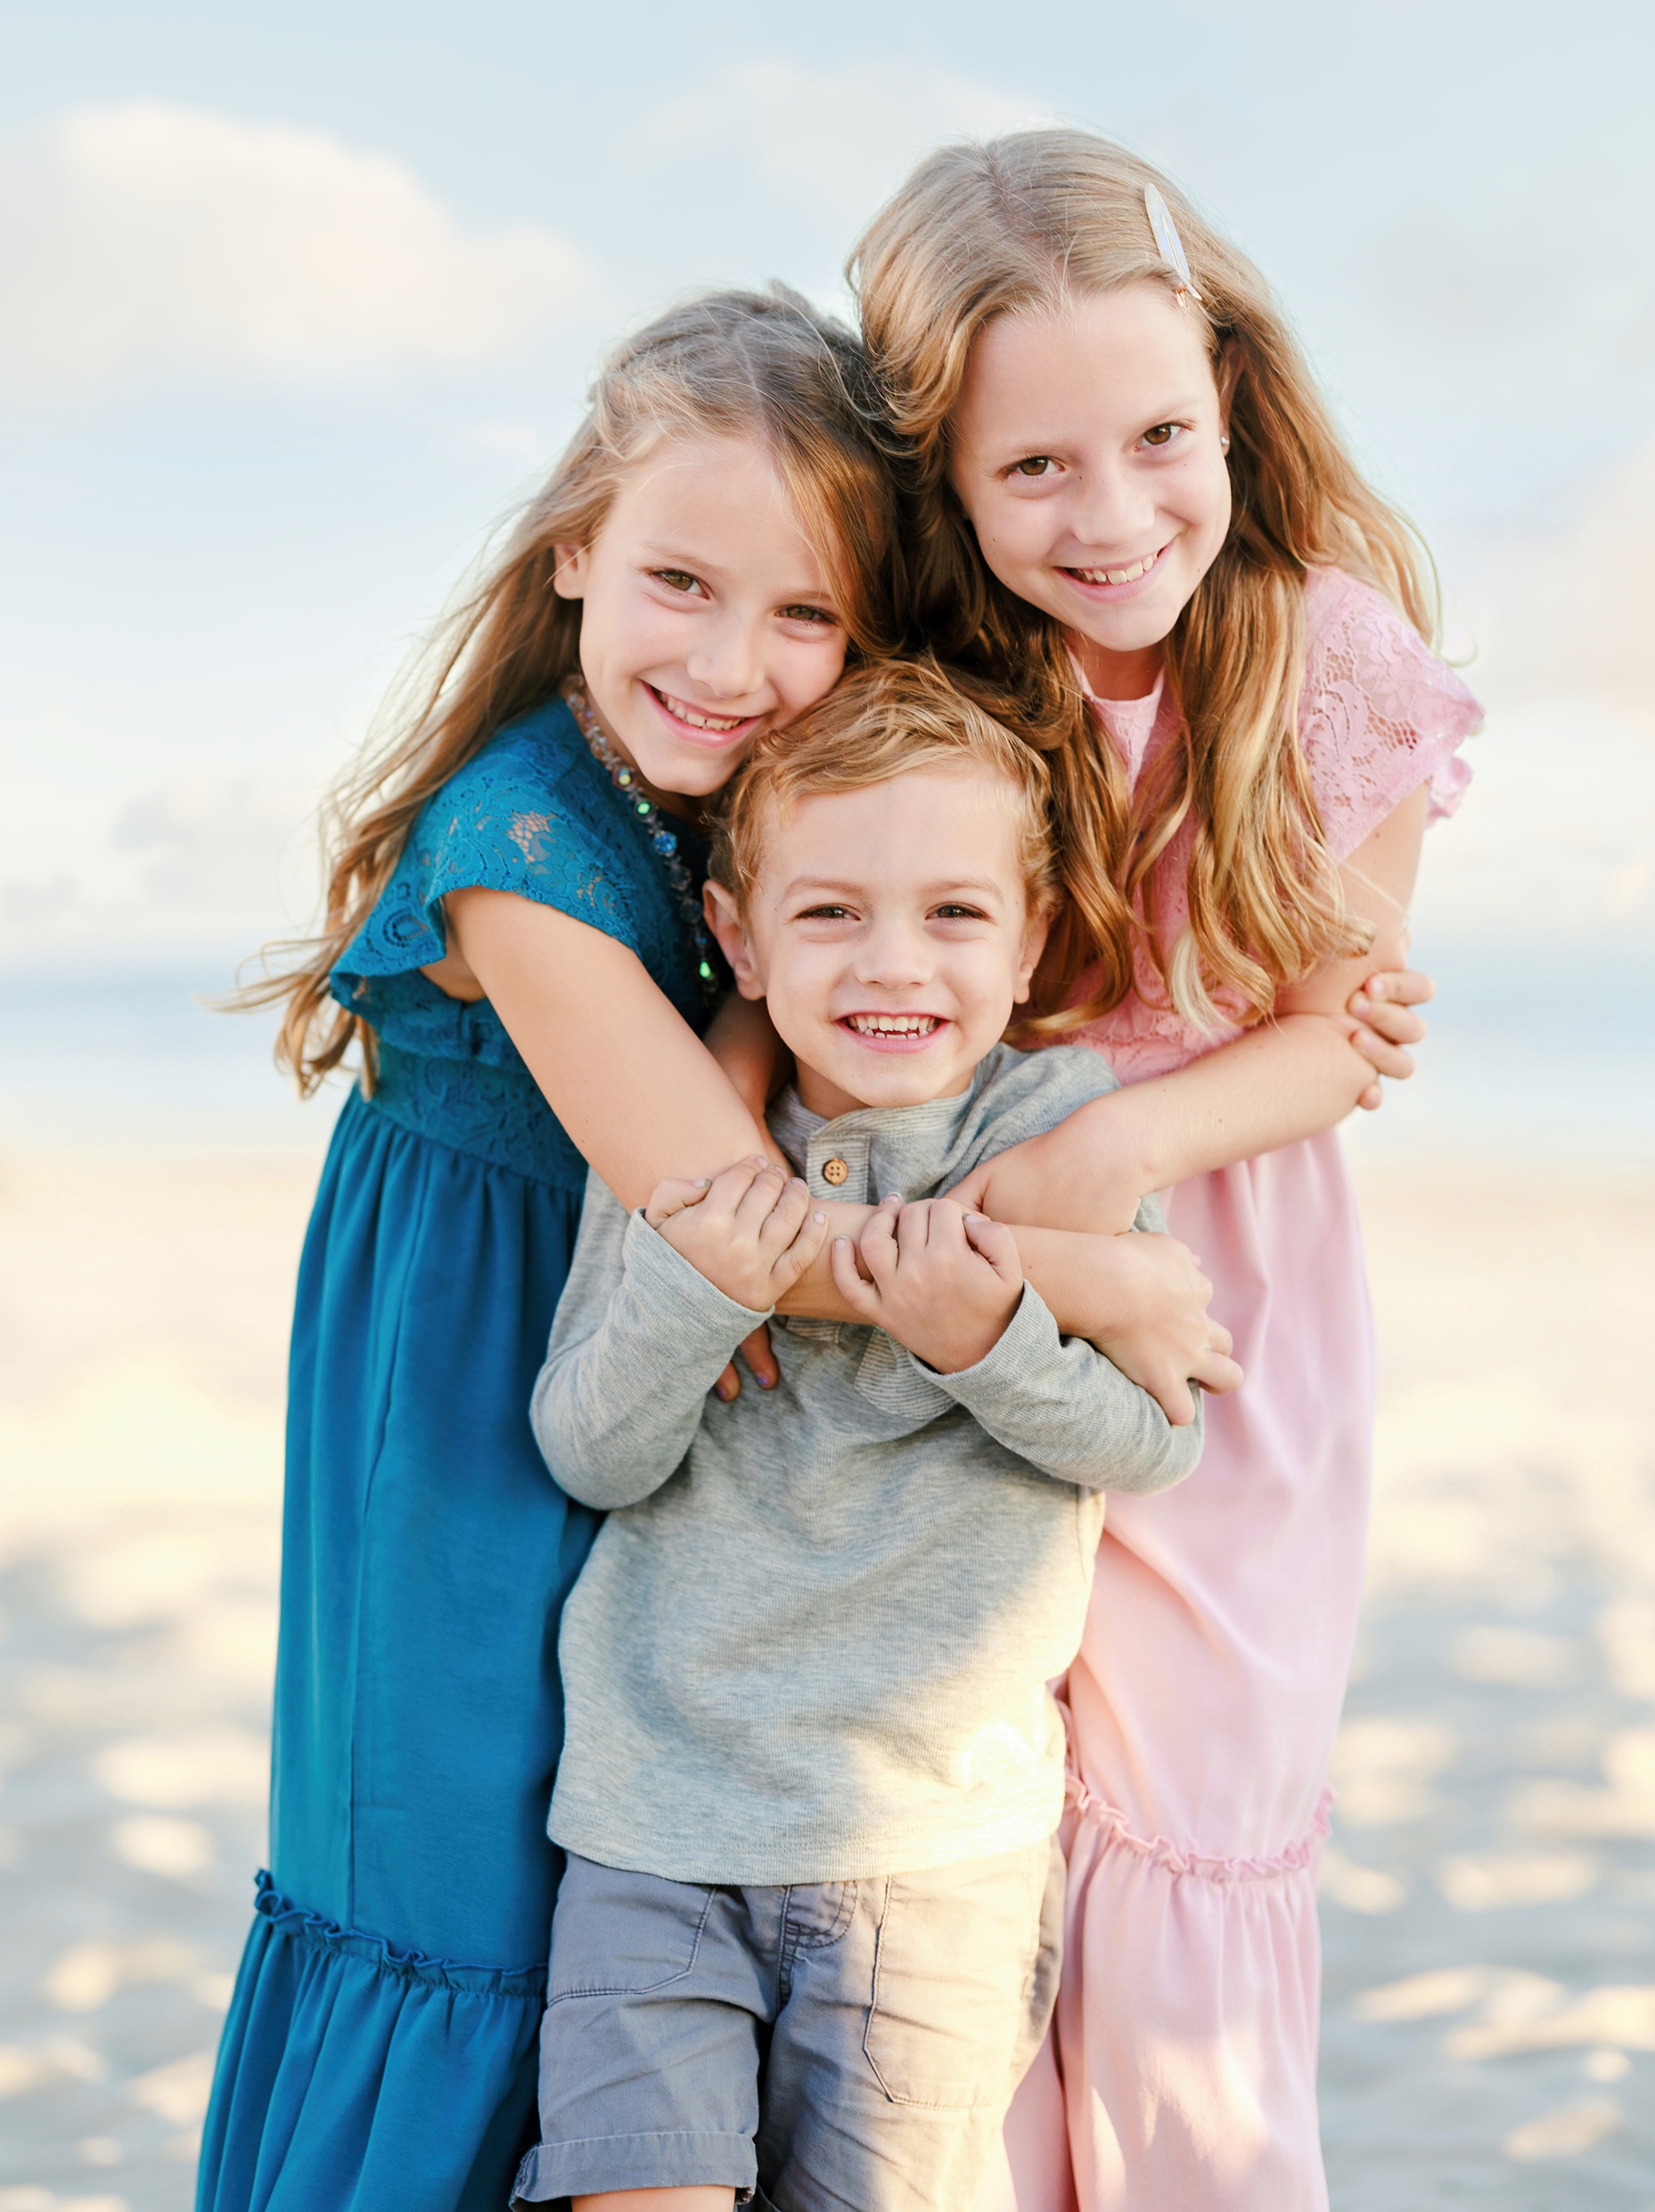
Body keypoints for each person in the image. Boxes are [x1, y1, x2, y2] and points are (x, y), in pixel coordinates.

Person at [197, 288, 1233, 2212]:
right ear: (573, 543)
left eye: (804, 615)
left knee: (582, 1900)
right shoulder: (516, 842)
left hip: (667, 1344)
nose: (735, 662)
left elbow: (774, 1058)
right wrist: (1092, 1276)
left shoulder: (746, 814)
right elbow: (718, 1204)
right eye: (678, 580)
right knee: (446, 1874)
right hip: (472, 1357)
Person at [848, 131, 1483, 2211]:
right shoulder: (916, 675)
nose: (1114, 517)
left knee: (1186, 1820)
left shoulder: (1326, 652)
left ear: (1232, 397)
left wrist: (1117, 1139)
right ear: (941, 474)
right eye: (1035, 470)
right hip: (957, 1277)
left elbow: (1330, 1029)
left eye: (1158, 438)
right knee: (974, 1837)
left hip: (1223, 1296)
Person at [516, 664, 1202, 2212]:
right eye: (830, 914)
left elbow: (1149, 1444)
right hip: (655, 1822)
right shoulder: (684, 1141)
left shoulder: (1052, 1140)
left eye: (955, 916)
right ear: (740, 939)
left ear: (1029, 942)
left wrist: (988, 1339)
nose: (895, 964)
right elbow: (590, 1451)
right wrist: (698, 1292)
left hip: (931, 1848)